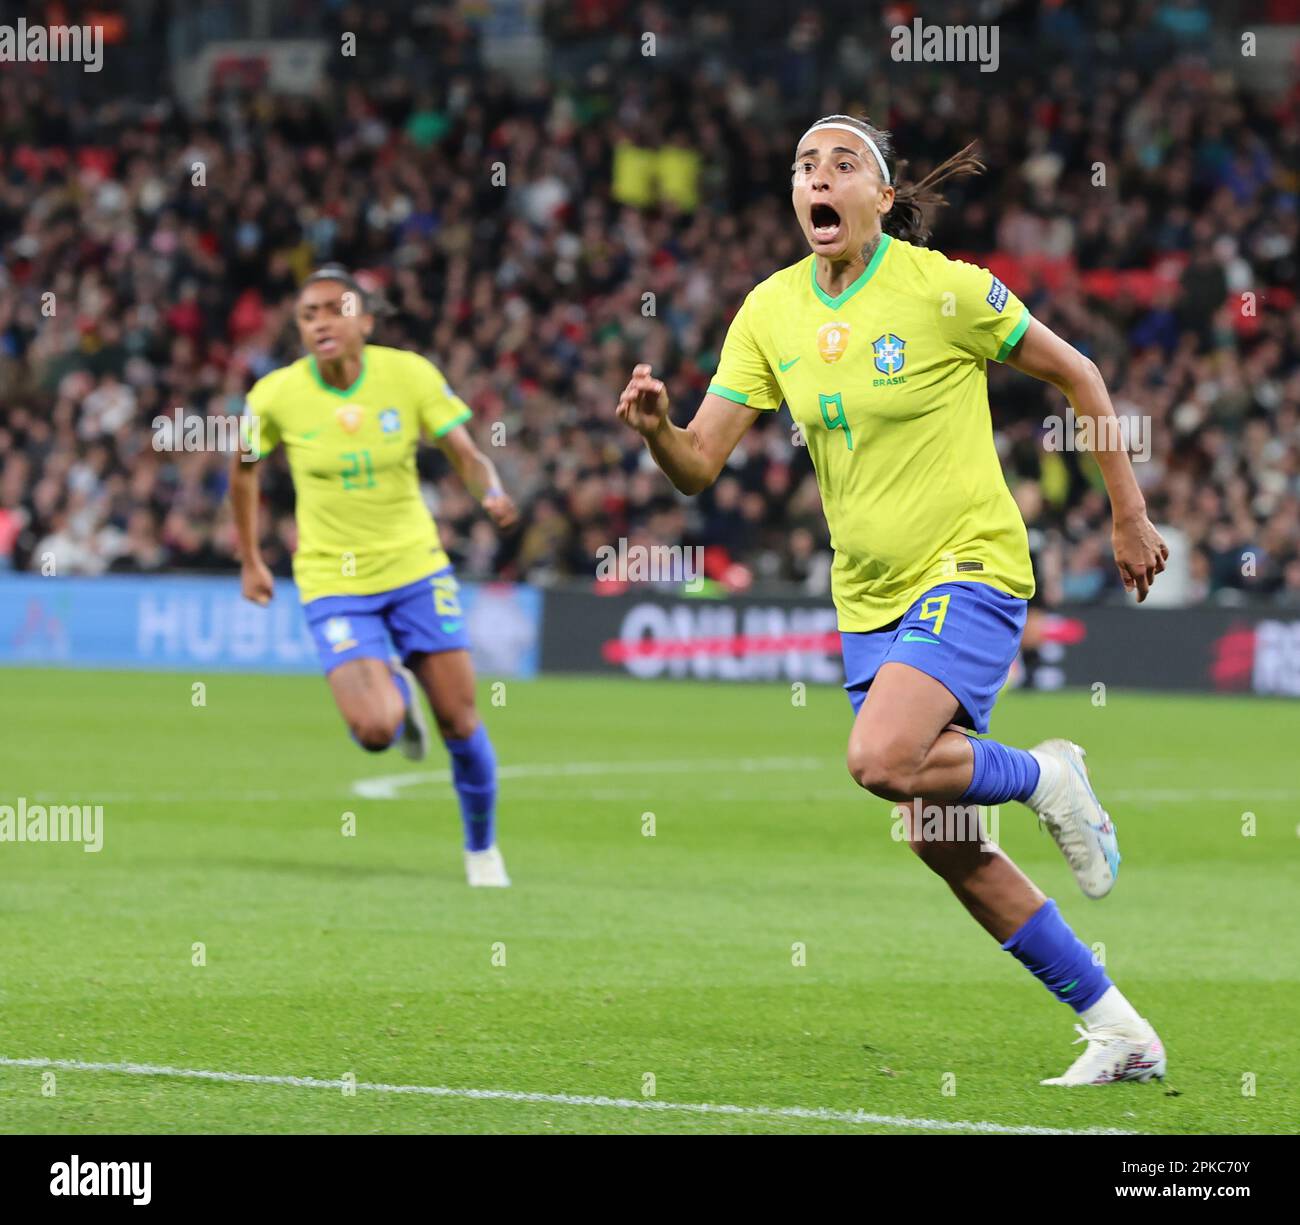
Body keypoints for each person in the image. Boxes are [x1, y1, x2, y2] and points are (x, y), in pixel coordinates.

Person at [616, 116, 1170, 1086]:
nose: (817, 179)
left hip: (969, 566)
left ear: (881, 196)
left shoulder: (941, 288)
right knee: (936, 834)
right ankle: (1118, 1027)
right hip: (867, 598)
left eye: (841, 165)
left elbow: (1077, 372)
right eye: (802, 166)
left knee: (880, 759)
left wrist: (1127, 512)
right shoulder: (769, 312)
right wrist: (660, 428)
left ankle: (1045, 777)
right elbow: (698, 466)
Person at [230, 268, 517, 887]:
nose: (321, 322)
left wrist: (489, 492)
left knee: (460, 722)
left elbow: (464, 454)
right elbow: (244, 470)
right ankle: (394, 693)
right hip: (333, 580)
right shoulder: (274, 396)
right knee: (374, 730)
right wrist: (251, 557)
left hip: (414, 568)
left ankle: (481, 850)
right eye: (309, 314)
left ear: (365, 319)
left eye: (336, 309)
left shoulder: (408, 375)